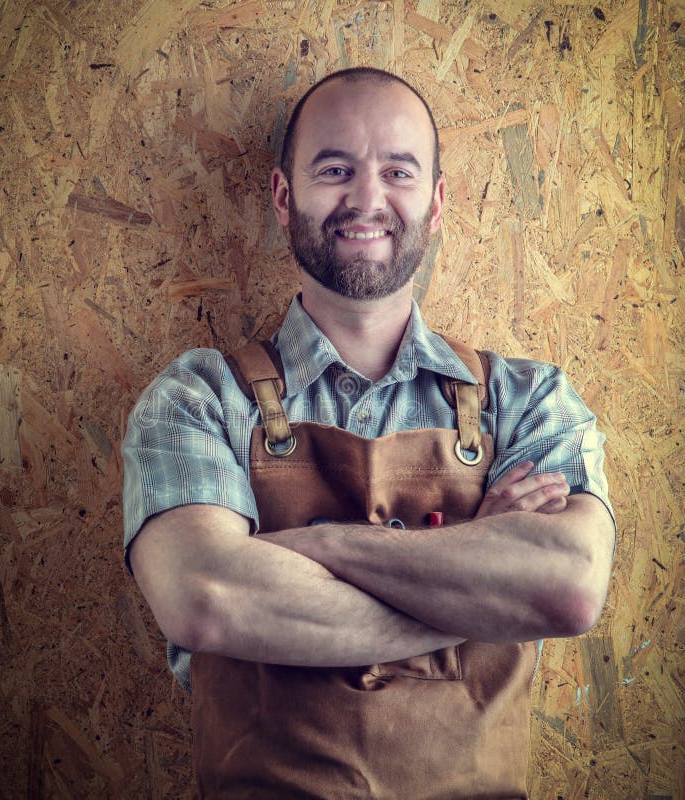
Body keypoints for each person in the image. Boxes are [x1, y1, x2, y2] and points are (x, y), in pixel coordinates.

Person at [122, 67, 615, 799]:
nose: (367, 198)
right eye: (335, 169)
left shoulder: (529, 401)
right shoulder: (198, 399)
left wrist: (318, 544)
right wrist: (473, 591)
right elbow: (206, 599)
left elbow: (567, 589)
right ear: (284, 199)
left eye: (398, 171)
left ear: (437, 202)